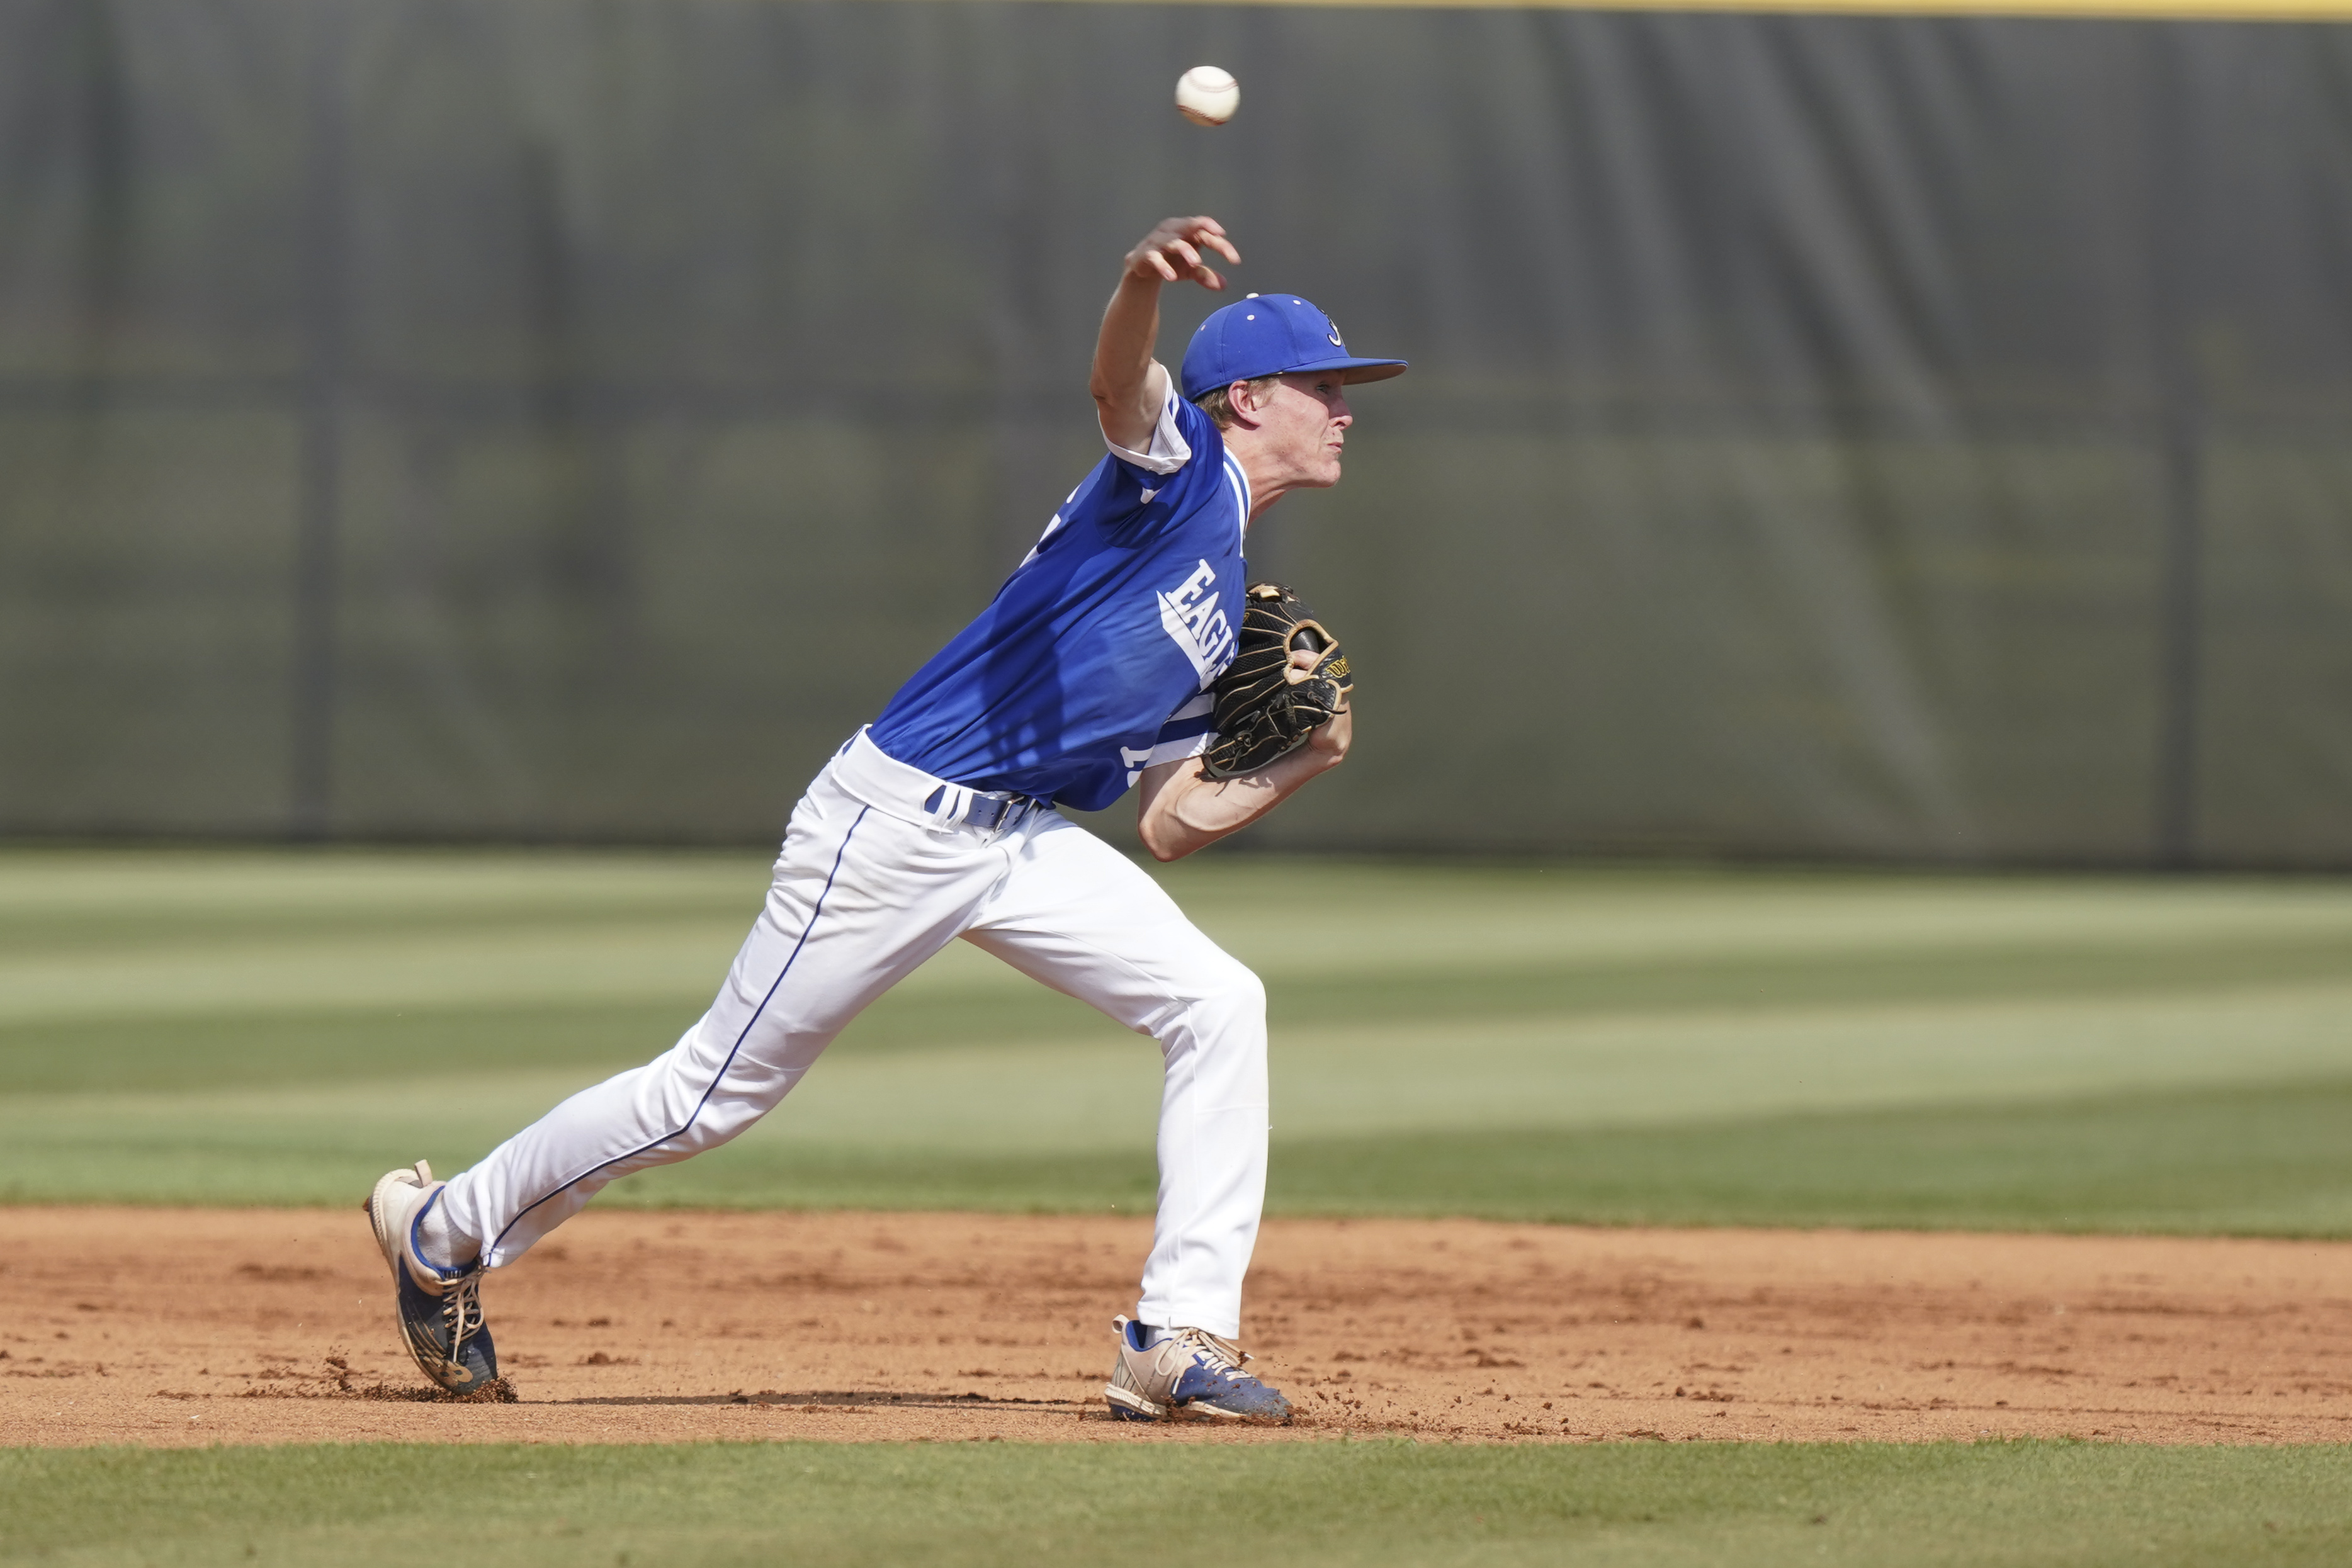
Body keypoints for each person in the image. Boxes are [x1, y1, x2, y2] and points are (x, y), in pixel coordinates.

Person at [365, 215, 1405, 1422]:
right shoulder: (1179, 477)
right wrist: (1134, 281)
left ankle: (1174, 1339)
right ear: (1244, 398)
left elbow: (1172, 823)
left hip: (1018, 842)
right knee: (711, 1097)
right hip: (899, 818)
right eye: (1324, 386)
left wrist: (1308, 755)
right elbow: (1117, 386)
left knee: (1219, 1003)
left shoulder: (1224, 601)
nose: (1344, 409)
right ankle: (443, 1234)